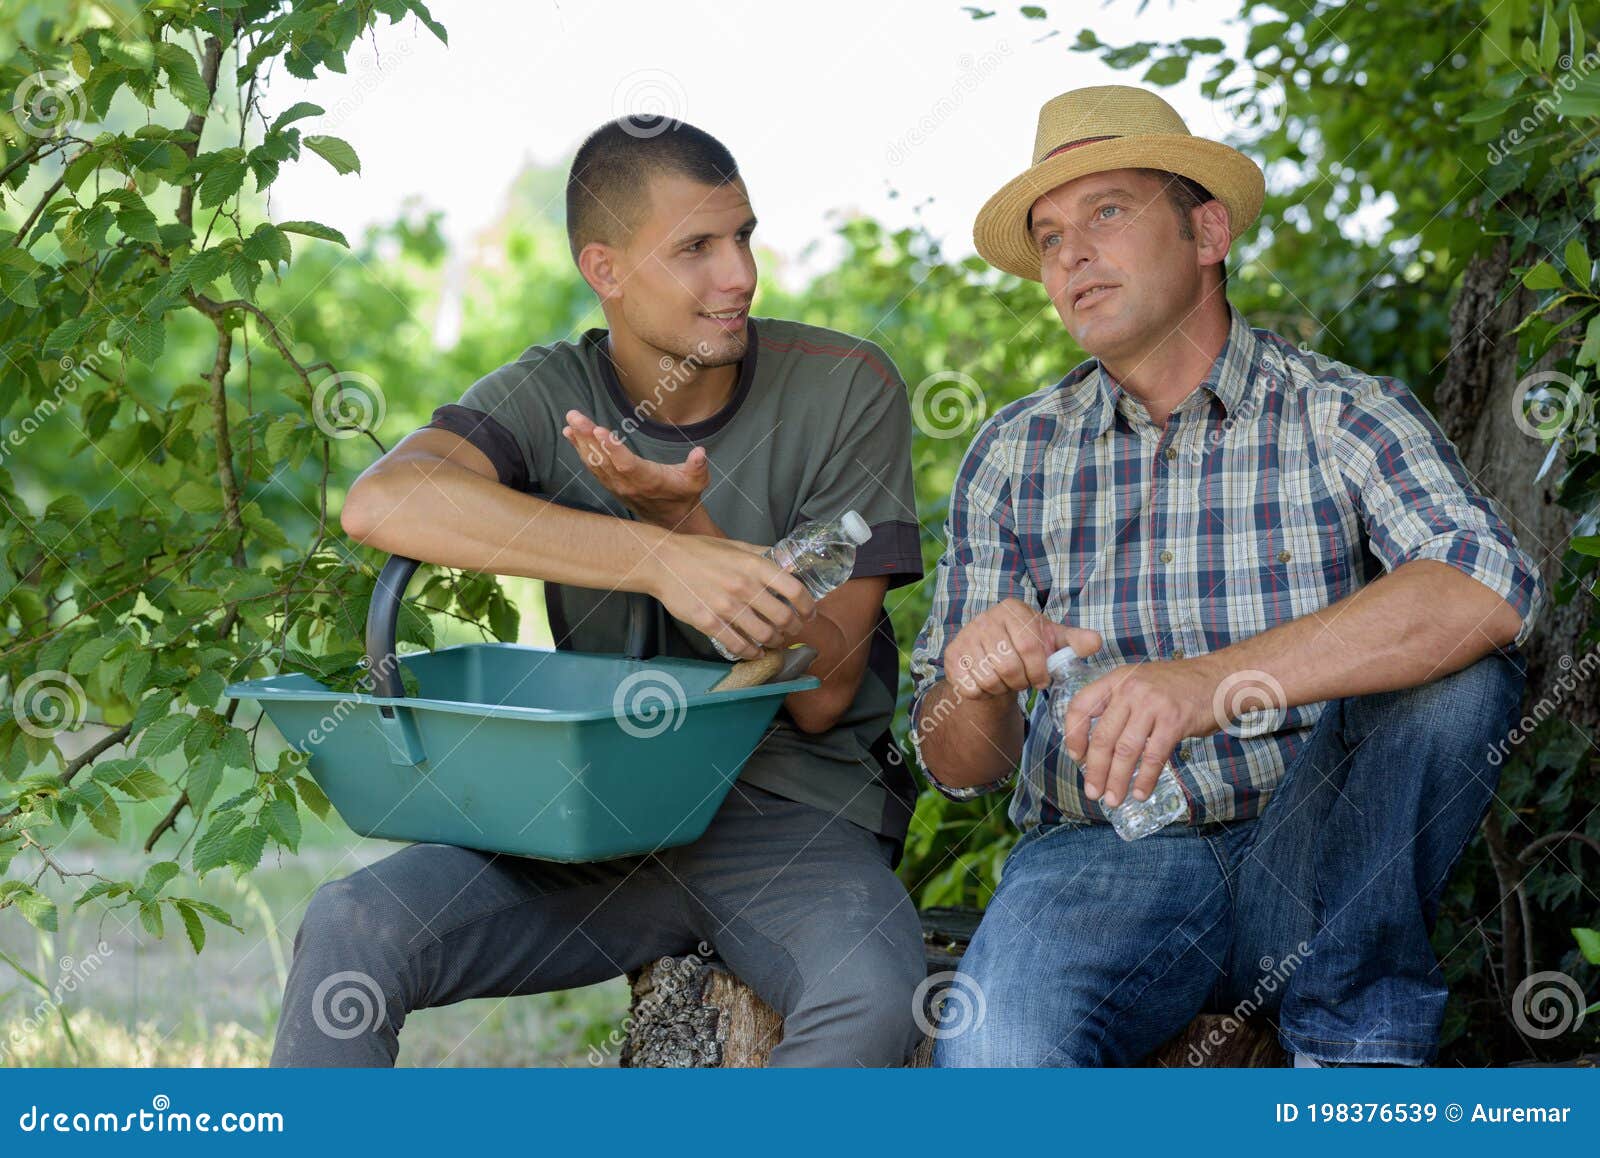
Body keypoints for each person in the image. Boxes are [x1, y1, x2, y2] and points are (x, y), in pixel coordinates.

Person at [270, 116, 926, 1067]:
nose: (737, 274)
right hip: (593, 821)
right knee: (350, 932)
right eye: (696, 248)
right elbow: (384, 503)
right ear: (606, 270)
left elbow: (826, 695)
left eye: (742, 235)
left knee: (874, 993)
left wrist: (686, 530)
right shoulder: (552, 393)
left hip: (789, 826)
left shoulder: (845, 387)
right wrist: (653, 558)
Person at [910, 85, 1544, 1067]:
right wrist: (973, 683)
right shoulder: (1012, 454)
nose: (1069, 254)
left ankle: (1349, 1036)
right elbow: (959, 767)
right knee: (995, 1056)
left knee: (1465, 676)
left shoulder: (1342, 414)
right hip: (1100, 862)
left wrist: (1206, 685)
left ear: (1205, 231)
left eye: (1106, 211)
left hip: (1319, 846)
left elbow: (1488, 590)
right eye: (1047, 236)